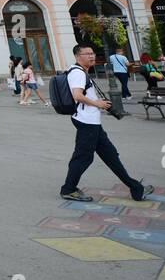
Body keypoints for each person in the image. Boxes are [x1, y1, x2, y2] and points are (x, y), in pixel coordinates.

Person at [60, 44, 154, 202]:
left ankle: (136, 188)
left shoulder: (81, 71)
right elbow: (77, 95)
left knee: (110, 155)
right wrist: (98, 104)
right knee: (83, 157)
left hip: (91, 121)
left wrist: (97, 102)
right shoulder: (77, 73)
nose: (91, 56)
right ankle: (68, 189)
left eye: (92, 53)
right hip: (86, 121)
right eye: (87, 54)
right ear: (77, 56)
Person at [109, 45, 131, 110]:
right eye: (122, 51)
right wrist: (131, 64)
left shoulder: (111, 57)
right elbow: (127, 64)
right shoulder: (123, 57)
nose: (122, 52)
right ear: (120, 51)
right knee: (124, 84)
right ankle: (124, 96)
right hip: (123, 72)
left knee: (123, 83)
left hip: (116, 72)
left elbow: (111, 63)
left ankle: (129, 94)